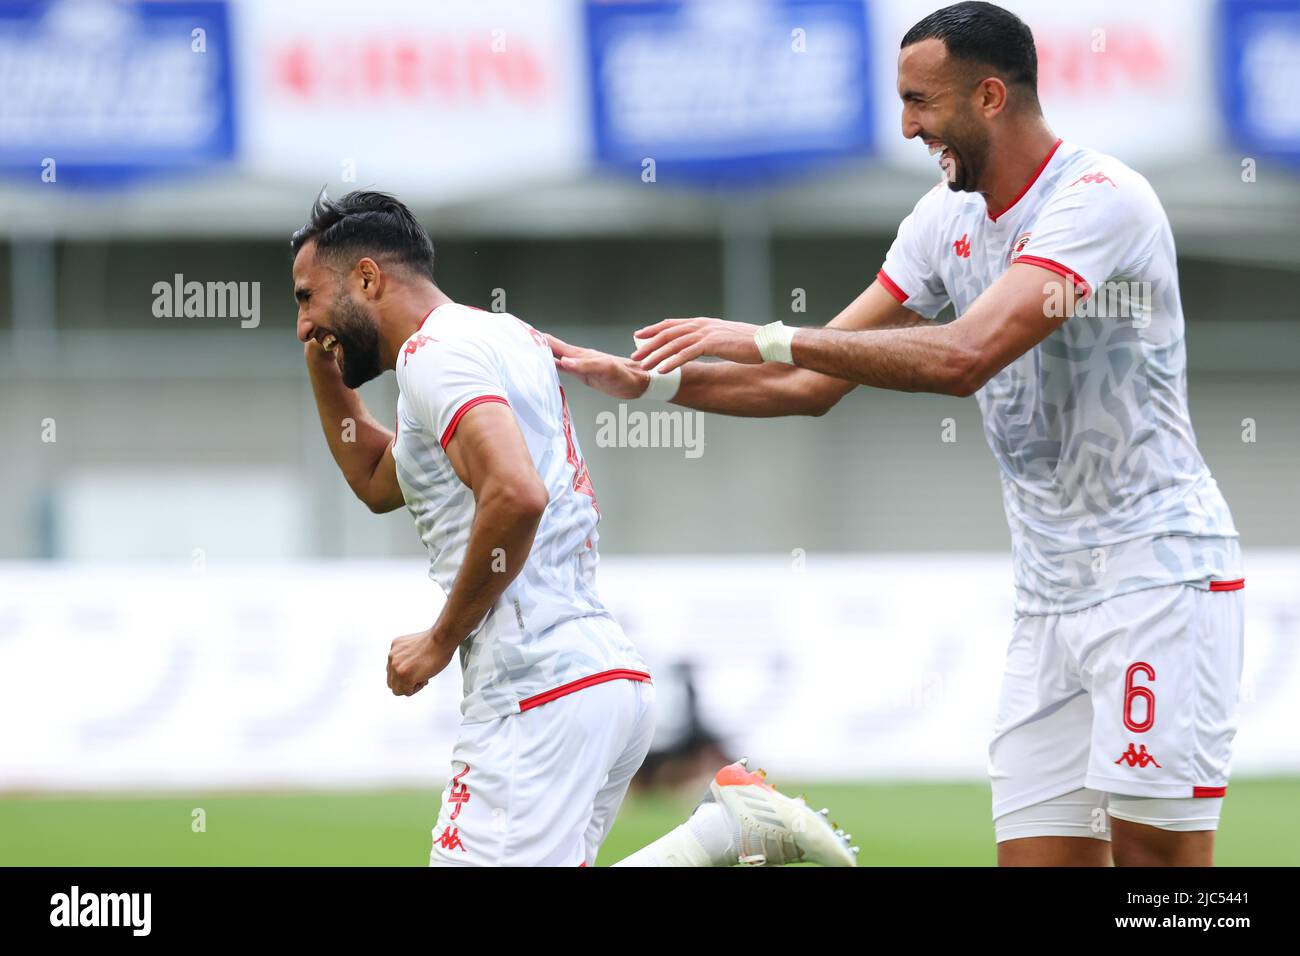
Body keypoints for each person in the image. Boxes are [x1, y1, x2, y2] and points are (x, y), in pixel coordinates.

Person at [550, 1, 1244, 867]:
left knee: (1159, 868)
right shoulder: (942, 221)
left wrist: (761, 332)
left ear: (991, 96)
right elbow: (810, 385)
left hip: (1156, 582)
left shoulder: (1100, 201)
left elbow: (966, 355)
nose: (909, 125)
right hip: (1047, 602)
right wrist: (652, 385)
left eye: (922, 102)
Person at [290, 190, 856, 867]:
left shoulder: (432, 357)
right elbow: (381, 478)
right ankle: (722, 836)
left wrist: (441, 638)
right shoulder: (500, 336)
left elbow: (517, 495)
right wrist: (325, 370)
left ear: (367, 279)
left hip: (536, 687)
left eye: (306, 298)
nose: (302, 324)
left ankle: (724, 837)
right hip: (597, 675)